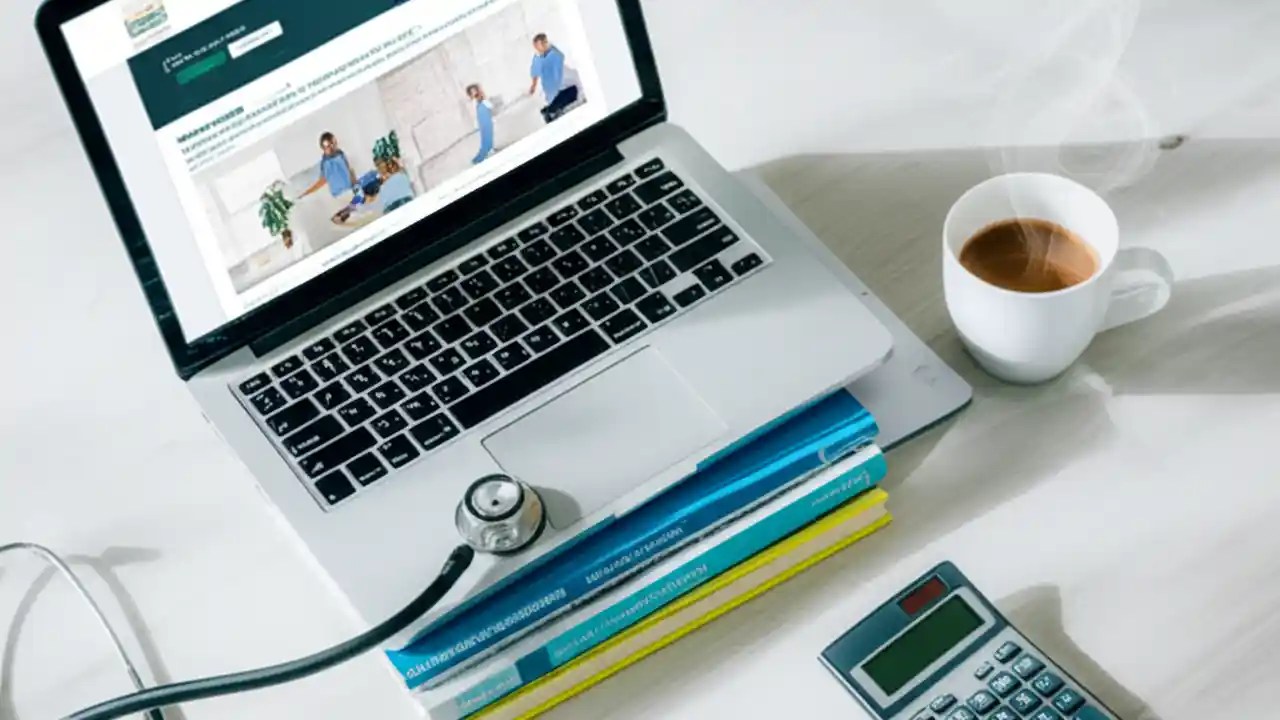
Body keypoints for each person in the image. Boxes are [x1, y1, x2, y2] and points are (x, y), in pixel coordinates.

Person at [528, 33, 579, 123]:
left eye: (544, 43)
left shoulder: (553, 53)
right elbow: (535, 72)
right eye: (538, 46)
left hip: (567, 88)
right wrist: (533, 85)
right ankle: (551, 111)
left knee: (570, 91)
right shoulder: (539, 59)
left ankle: (551, 110)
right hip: (558, 91)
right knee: (565, 94)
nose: (538, 49)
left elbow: (560, 57)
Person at [300, 132, 360, 200]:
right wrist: (305, 194)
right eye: (328, 146)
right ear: (323, 148)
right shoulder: (326, 163)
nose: (332, 148)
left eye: (333, 144)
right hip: (340, 195)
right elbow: (322, 181)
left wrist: (356, 185)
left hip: (350, 190)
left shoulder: (340, 154)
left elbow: (349, 170)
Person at [466, 84, 496, 164]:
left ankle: (490, 149)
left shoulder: (483, 100)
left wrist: (483, 98)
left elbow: (490, 107)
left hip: (487, 119)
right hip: (481, 121)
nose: (475, 93)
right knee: (485, 136)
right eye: (472, 92)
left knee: (489, 134)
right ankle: (484, 153)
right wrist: (476, 124)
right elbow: (474, 114)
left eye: (475, 91)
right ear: (470, 95)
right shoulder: (473, 103)